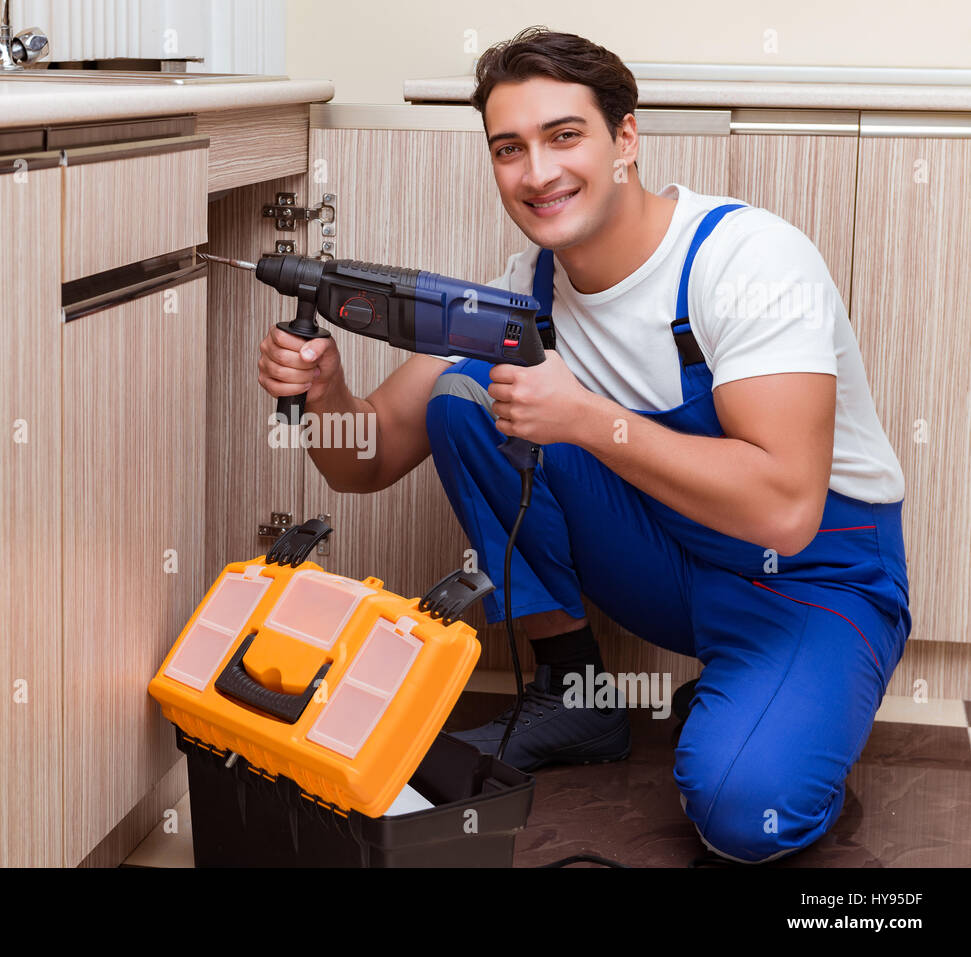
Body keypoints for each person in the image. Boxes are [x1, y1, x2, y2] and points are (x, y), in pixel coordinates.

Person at [255, 26, 910, 864]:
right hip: (671, 559)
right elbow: (365, 460)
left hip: (817, 578)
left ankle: (786, 715)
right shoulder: (520, 293)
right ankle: (577, 694)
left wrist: (587, 418)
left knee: (745, 815)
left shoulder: (745, 261)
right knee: (465, 396)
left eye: (565, 136)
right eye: (509, 149)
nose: (538, 172)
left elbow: (785, 509)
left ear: (625, 137)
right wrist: (324, 394)